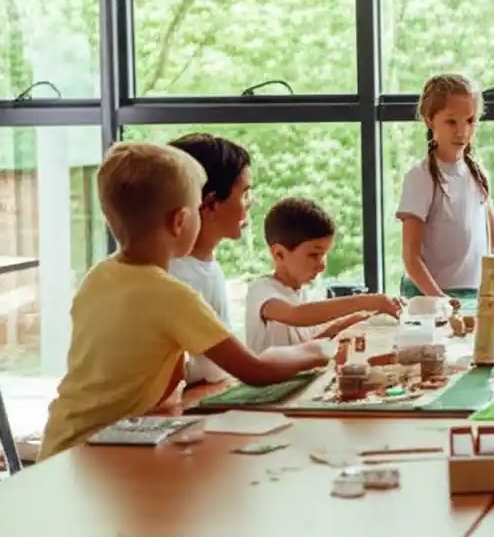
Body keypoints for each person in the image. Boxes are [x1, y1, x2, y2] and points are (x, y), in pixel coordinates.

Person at [39, 142, 330, 461]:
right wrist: (317, 351)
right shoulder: (172, 295)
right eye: (196, 207)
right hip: (100, 452)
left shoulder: (99, 275)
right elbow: (255, 370)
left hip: (62, 443)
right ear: (180, 221)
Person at [397, 74, 494, 300]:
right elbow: (411, 259)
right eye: (451, 121)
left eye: (470, 121)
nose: (462, 131)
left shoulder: (477, 175)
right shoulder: (420, 177)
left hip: (475, 296)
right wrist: (441, 302)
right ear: (429, 119)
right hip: (431, 300)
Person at [245, 197, 400, 352]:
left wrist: (366, 316)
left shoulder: (307, 294)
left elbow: (310, 345)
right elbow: (296, 315)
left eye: (324, 255)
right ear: (279, 254)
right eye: (314, 255)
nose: (322, 265)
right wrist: (370, 301)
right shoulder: (261, 290)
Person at [168, 132, 253, 384]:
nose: (251, 202)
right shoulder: (170, 277)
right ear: (210, 202)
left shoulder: (209, 267)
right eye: (244, 193)